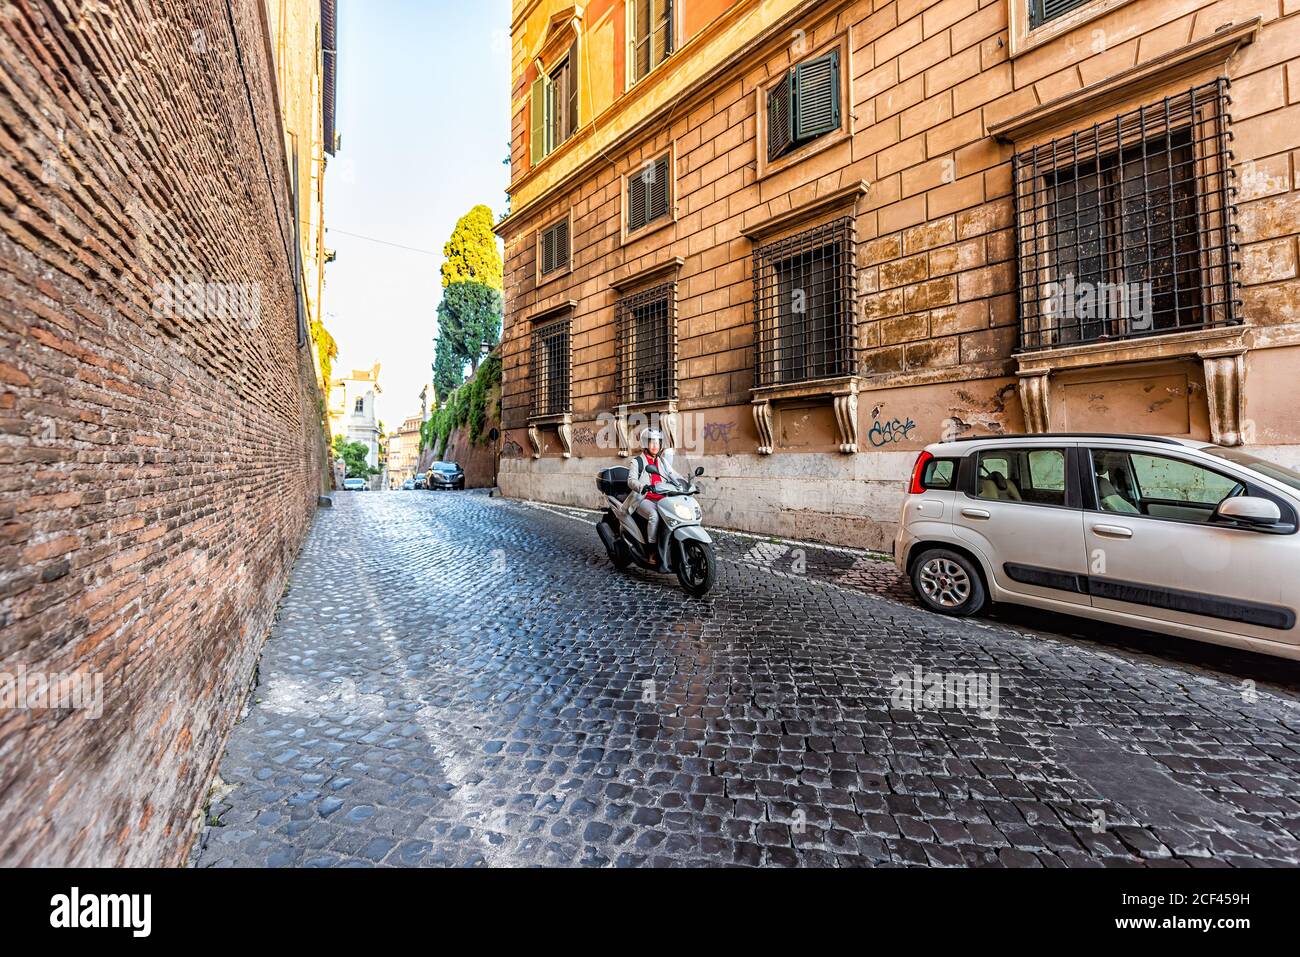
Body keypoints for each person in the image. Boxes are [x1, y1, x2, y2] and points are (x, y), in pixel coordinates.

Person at [626, 427, 681, 563]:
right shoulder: (637, 461)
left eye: (658, 442)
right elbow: (631, 481)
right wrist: (643, 487)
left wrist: (685, 484)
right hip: (643, 499)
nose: (655, 446)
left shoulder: (662, 461)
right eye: (652, 442)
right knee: (654, 516)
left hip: (662, 499)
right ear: (645, 444)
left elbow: (673, 474)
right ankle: (651, 550)